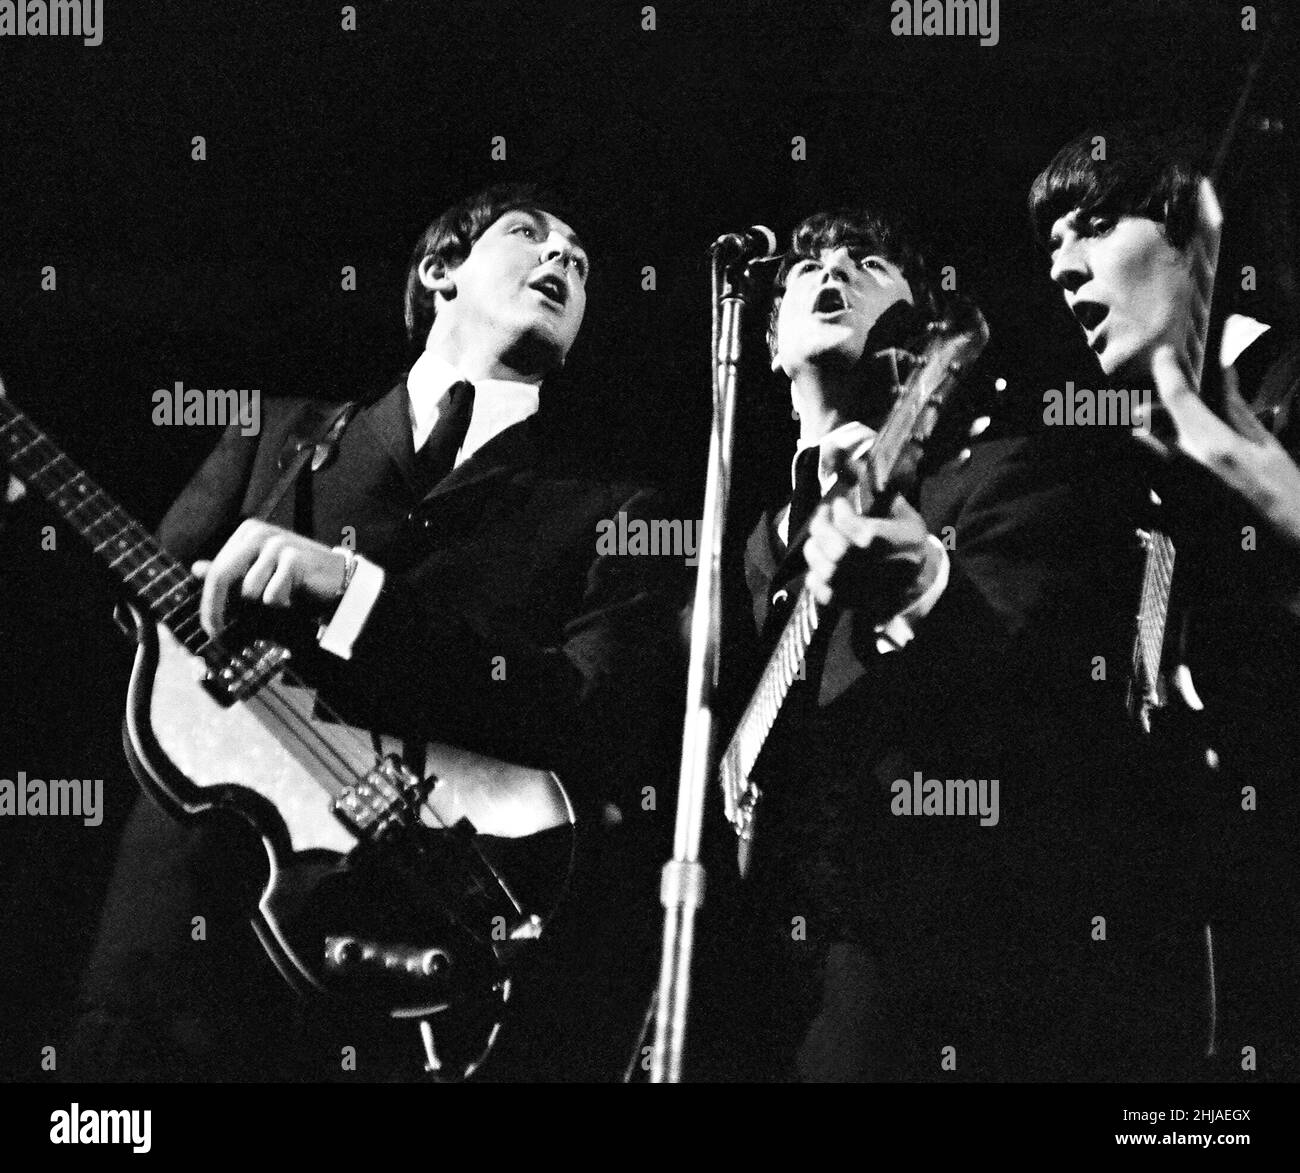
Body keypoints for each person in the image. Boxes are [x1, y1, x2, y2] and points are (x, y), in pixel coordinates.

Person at [65, 183, 684, 1082]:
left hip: (396, 962)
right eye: (529, 235)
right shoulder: (273, 433)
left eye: (581, 264)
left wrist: (359, 595)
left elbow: (587, 718)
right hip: (173, 949)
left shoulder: (615, 510)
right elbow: (121, 621)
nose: (562, 259)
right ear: (440, 272)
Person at [697, 204, 1181, 1082]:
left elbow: (1053, 703)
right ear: (767, 347)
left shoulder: (1003, 472)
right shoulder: (744, 553)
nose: (832, 271)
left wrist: (925, 581)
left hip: (908, 961)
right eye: (806, 268)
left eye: (868, 262)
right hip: (741, 976)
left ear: (921, 341)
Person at [1030, 126, 1300, 1078]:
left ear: (1194, 235)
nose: (1063, 266)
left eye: (1097, 226)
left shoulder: (1287, 384)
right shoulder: (1142, 478)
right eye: (1053, 246)